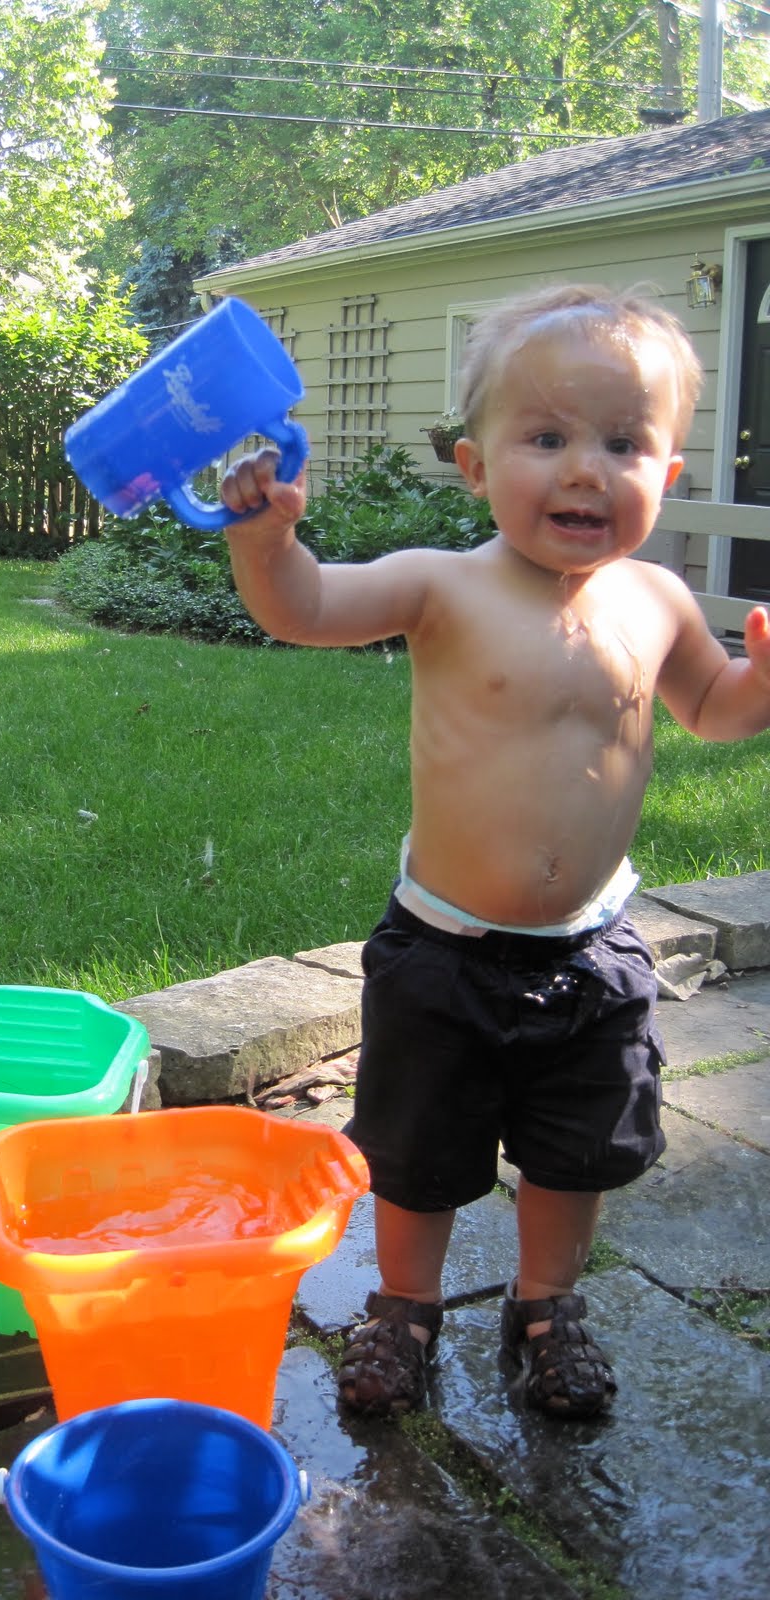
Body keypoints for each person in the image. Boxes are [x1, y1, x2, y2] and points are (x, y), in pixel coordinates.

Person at [220, 283, 770, 1420]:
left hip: (591, 951)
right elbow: (305, 608)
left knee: (576, 1152)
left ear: (667, 473)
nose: (586, 471)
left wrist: (759, 679)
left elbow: (713, 708)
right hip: (446, 950)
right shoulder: (443, 584)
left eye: (623, 443)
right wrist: (268, 542)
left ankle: (545, 1305)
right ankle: (404, 1307)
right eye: (548, 438)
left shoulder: (658, 599)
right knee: (418, 1153)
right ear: (474, 467)